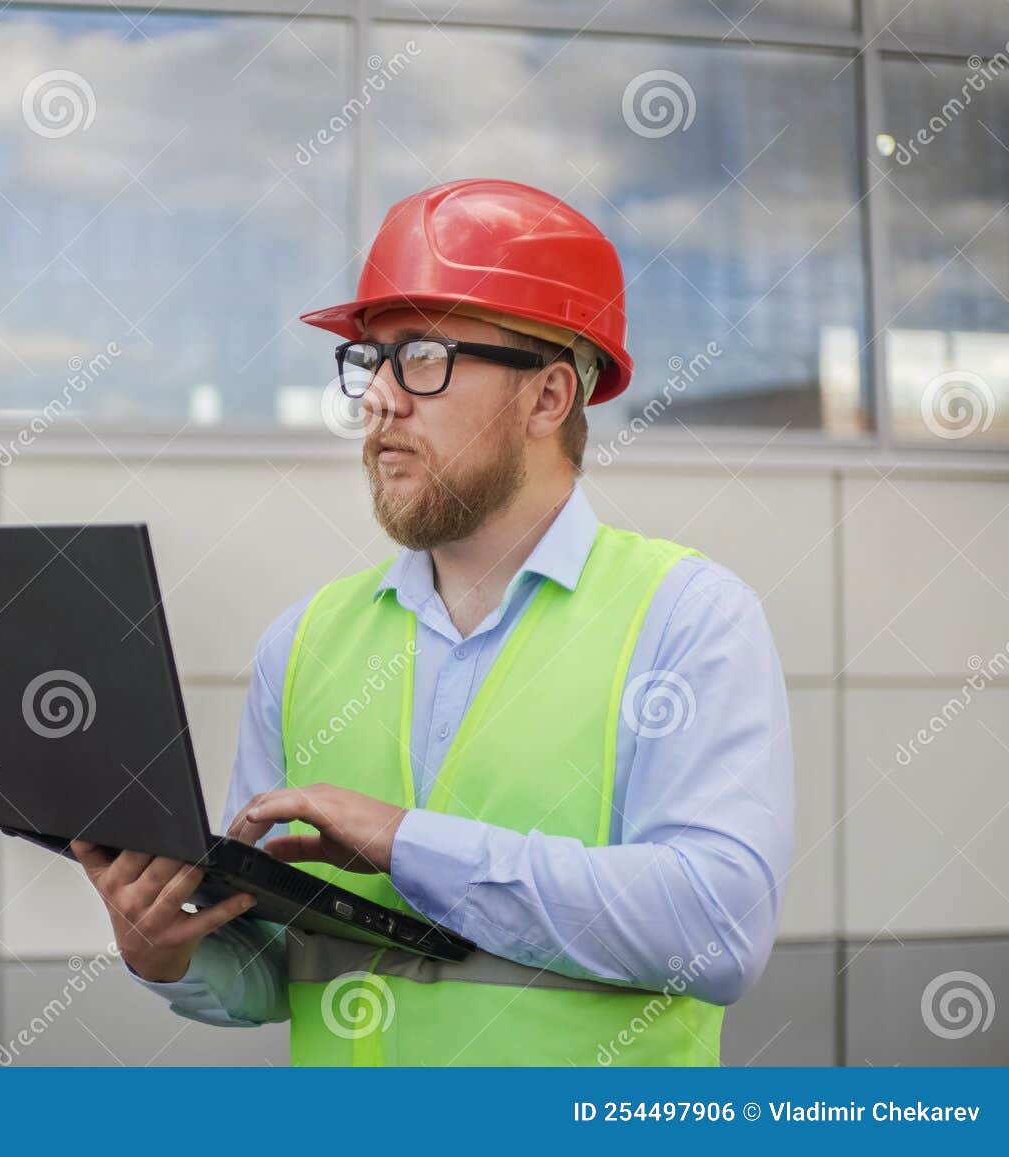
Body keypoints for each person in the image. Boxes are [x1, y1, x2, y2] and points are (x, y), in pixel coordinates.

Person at [71, 178, 794, 1066]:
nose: (378, 398)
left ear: (548, 398)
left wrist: (405, 841)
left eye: (422, 356)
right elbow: (277, 966)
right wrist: (169, 950)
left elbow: (717, 927)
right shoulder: (301, 644)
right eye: (371, 361)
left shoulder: (687, 618)